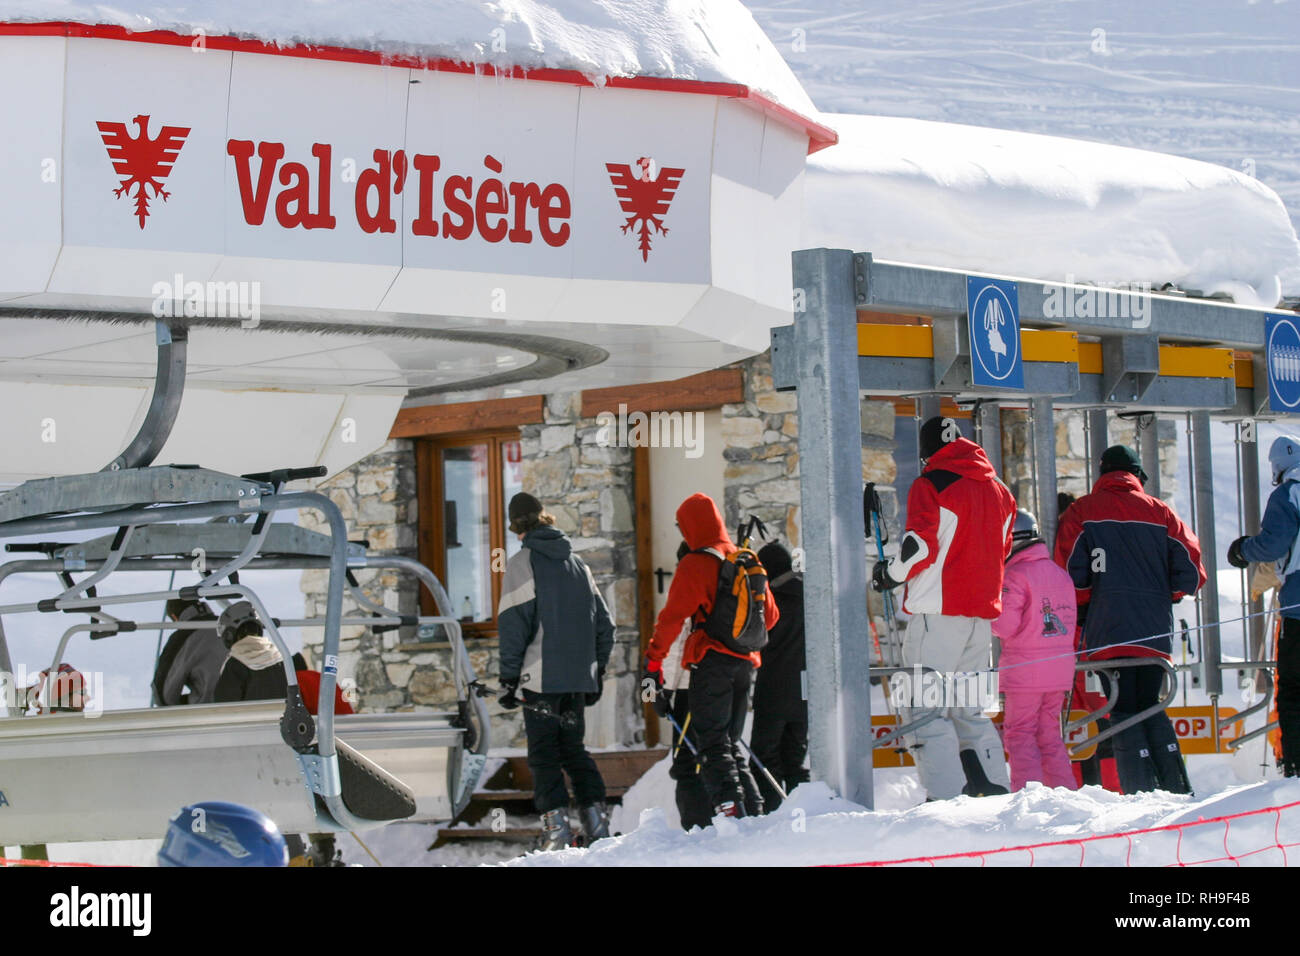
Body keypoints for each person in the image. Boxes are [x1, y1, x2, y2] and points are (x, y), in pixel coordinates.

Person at [872, 416, 1017, 799]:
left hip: (938, 613)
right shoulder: (1000, 491)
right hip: (981, 616)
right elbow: (1003, 552)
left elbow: (918, 545)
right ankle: (994, 787)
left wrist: (890, 574)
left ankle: (944, 799)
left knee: (924, 708)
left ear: (927, 453)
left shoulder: (932, 482)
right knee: (970, 710)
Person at [1055, 445, 1204, 794]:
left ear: (1103, 474)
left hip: (1107, 630)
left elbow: (1070, 576)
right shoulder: (1162, 512)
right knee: (1150, 706)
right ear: (1137, 475)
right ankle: (1175, 789)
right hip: (1154, 632)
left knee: (1121, 710)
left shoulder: (1082, 511)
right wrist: (1162, 594)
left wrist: (1088, 605)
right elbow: (1191, 574)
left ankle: (1140, 793)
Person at [645, 493, 778, 819]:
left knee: (713, 745)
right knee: (731, 746)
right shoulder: (745, 558)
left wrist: (653, 663)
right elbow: (771, 617)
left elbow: (672, 619)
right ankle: (754, 815)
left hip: (711, 665)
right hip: (746, 665)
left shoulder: (697, 562)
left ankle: (731, 816)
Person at [497, 492, 615, 851]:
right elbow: (606, 627)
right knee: (574, 750)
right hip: (576, 679)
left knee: (545, 753)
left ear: (516, 526)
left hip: (540, 680)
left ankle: (557, 832)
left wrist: (508, 679)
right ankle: (597, 825)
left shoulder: (521, 564)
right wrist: (595, 672)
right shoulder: (579, 565)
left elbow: (513, 628)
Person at [1227, 434, 1300, 776]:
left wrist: (1244, 550)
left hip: (1298, 607)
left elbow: (1274, 544)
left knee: (1293, 688)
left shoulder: (1288, 494)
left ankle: (1295, 763)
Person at [992, 509, 1077, 791]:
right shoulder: (1059, 574)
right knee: (1049, 735)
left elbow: (1004, 626)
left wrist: (985, 613)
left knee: (1020, 735)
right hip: (1060, 671)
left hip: (1025, 672)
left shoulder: (1014, 576)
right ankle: (1064, 795)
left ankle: (1029, 798)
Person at [750, 540, 808, 811]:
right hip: (805, 692)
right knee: (794, 761)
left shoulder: (769, 601)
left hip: (772, 690)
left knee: (764, 759)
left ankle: (773, 817)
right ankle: (803, 816)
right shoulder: (809, 598)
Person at [661, 541, 712, 831]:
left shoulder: (687, 584)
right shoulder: (720, 578)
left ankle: (697, 830)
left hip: (688, 688)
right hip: (721, 683)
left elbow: (676, 643)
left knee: (685, 763)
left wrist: (665, 689)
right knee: (713, 755)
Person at [212, 600, 289, 703]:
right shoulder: (282, 658)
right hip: (284, 717)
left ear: (229, 635)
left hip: (249, 718)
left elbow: (223, 705)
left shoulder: (235, 664)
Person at [152, 598, 225, 706]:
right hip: (248, 707)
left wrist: (185, 702)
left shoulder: (184, 636)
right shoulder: (229, 626)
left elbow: (164, 693)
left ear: (175, 617)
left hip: (209, 710)